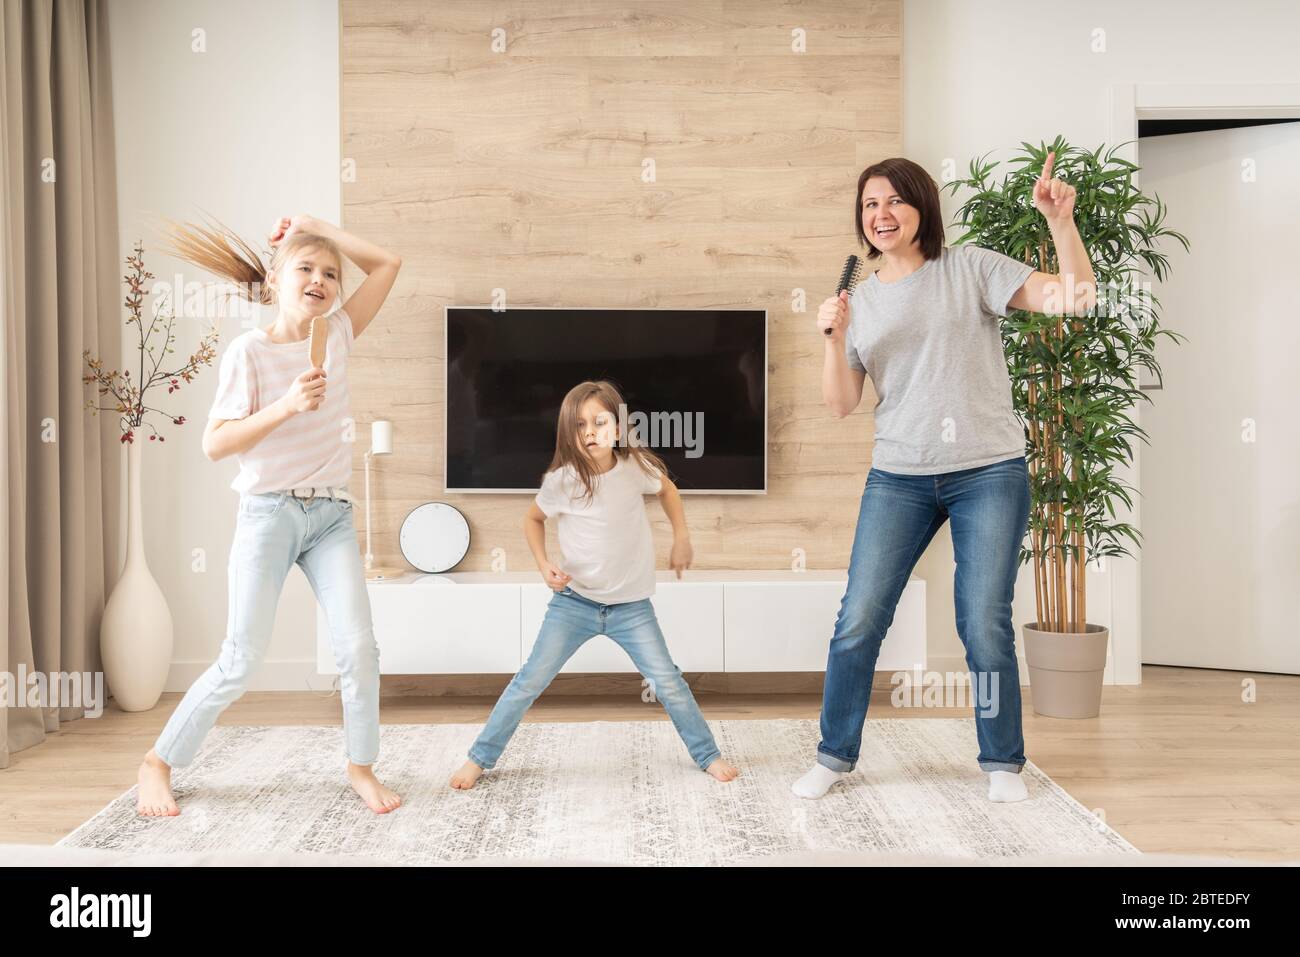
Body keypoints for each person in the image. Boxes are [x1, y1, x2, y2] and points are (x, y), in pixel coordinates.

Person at [792, 152, 1096, 803]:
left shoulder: (971, 268)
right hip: (899, 475)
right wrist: (831, 337)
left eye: (894, 201)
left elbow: (1074, 299)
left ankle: (1002, 762)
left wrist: (1061, 222)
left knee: (983, 619)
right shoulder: (861, 301)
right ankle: (833, 754)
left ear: (921, 206)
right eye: (870, 204)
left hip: (987, 471)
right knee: (860, 616)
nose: (882, 214)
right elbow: (842, 402)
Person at [136, 214, 403, 816]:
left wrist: (316, 225)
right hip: (269, 515)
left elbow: (388, 264)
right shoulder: (249, 351)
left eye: (331, 273)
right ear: (275, 280)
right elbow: (215, 443)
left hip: (331, 515)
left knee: (358, 649)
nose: (321, 279)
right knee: (241, 659)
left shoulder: (338, 334)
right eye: (306, 268)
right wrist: (285, 406)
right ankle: (157, 762)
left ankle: (361, 766)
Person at [449, 381, 741, 789]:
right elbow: (532, 519)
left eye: (600, 422)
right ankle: (479, 758)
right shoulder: (563, 481)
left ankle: (707, 755)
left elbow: (669, 490)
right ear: (569, 433)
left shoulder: (636, 469)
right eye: (579, 424)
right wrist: (542, 563)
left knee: (668, 682)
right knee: (529, 680)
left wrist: (682, 537)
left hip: (632, 609)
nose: (590, 431)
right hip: (575, 604)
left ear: (618, 428)